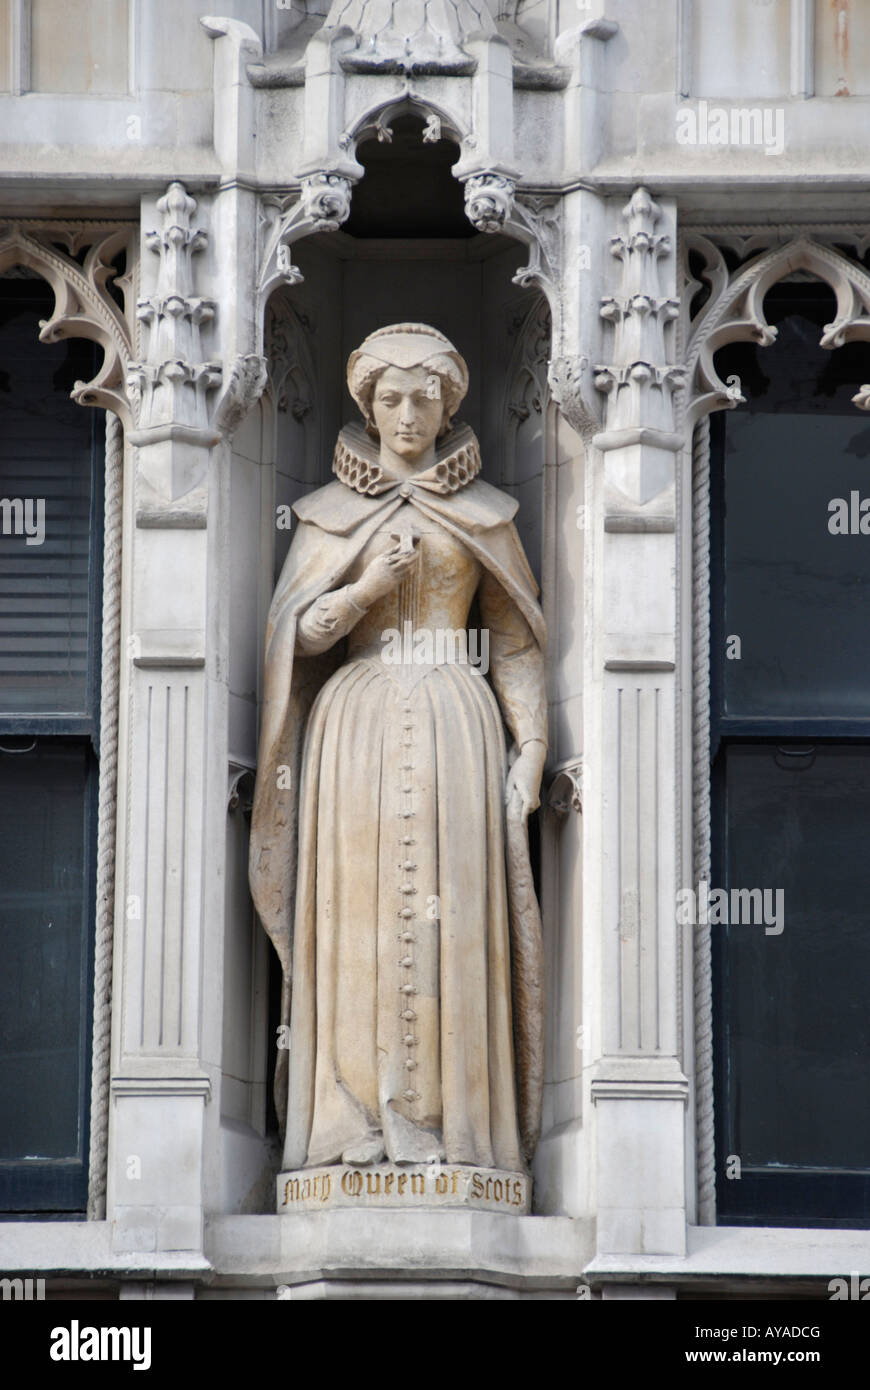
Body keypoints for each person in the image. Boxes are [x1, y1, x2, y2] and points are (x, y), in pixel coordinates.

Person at [249, 323, 548, 1174]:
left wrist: (530, 748)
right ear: (367, 405)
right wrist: (365, 591)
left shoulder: (489, 514)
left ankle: (458, 1134)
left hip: (460, 718)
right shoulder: (324, 514)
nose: (408, 414)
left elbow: (517, 641)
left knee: (453, 919)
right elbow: (291, 639)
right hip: (352, 731)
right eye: (391, 398)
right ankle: (346, 1126)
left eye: (425, 398)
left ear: (450, 405)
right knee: (356, 921)